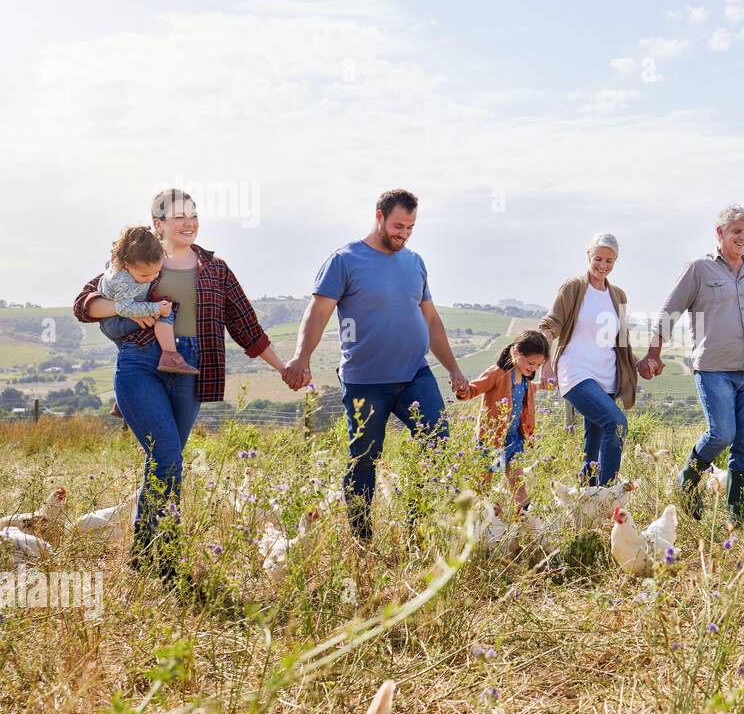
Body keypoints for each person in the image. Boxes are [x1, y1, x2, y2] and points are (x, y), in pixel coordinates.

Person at [72, 189, 288, 579]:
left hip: (190, 370)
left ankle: (151, 556)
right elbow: (84, 303)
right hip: (140, 365)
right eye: (178, 217)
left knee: (165, 463)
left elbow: (246, 327)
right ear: (158, 224)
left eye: (194, 214)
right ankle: (158, 556)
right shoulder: (135, 260)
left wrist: (284, 367)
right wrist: (129, 308)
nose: (189, 222)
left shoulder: (215, 268)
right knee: (167, 455)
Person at [282, 188, 469, 540]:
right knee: (365, 456)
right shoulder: (345, 260)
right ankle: (362, 537)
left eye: (411, 227)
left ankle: (417, 524)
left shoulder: (415, 263)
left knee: (438, 442)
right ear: (379, 216)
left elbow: (431, 320)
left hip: (415, 374)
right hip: (365, 382)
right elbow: (318, 312)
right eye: (399, 225)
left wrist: (454, 369)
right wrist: (301, 357)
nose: (404, 234)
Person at [638, 204, 744, 523]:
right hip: (713, 369)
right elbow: (669, 312)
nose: (743, 237)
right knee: (722, 434)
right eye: (736, 231)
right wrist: (654, 353)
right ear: (720, 233)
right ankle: (688, 482)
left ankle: (737, 515)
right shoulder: (699, 269)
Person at [537, 233, 638, 486]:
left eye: (609, 261)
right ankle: (606, 496)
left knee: (592, 450)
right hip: (576, 372)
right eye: (598, 259)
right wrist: (545, 364)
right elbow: (549, 327)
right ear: (588, 257)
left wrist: (641, 363)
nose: (603, 266)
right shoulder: (573, 288)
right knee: (616, 425)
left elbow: (621, 342)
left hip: (606, 378)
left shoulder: (619, 296)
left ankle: (587, 501)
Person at [456, 330, 550, 514]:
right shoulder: (497, 374)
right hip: (494, 442)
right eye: (531, 363)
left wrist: (543, 385)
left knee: (519, 486)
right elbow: (475, 389)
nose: (533, 369)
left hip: (515, 440)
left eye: (538, 366)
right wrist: (463, 390)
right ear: (516, 353)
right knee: (487, 488)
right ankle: (483, 522)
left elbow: (530, 389)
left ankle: (524, 522)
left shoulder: (525, 377)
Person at [98, 227, 199, 376]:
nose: (151, 278)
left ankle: (122, 394)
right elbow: (123, 309)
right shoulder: (123, 280)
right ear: (126, 264)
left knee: (125, 356)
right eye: (145, 275)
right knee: (165, 310)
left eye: (156, 272)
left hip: (117, 319)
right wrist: (156, 308)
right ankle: (170, 355)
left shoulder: (127, 263)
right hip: (115, 321)